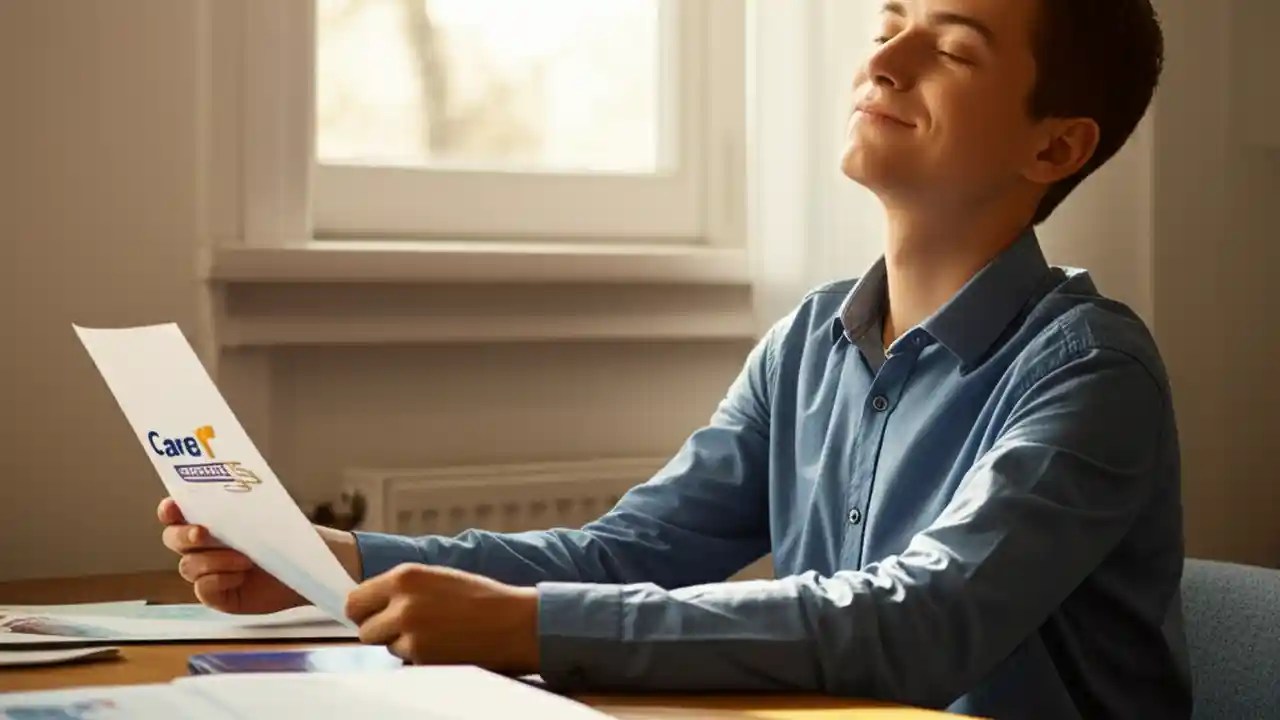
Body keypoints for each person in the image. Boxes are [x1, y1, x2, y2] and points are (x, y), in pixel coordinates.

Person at [159, 0, 1188, 716]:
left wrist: (529, 627)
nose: (881, 61)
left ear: (1053, 148)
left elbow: (918, 626)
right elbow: (626, 554)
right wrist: (342, 564)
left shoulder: (1087, 373)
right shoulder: (806, 345)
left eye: (950, 50)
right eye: (885, 27)